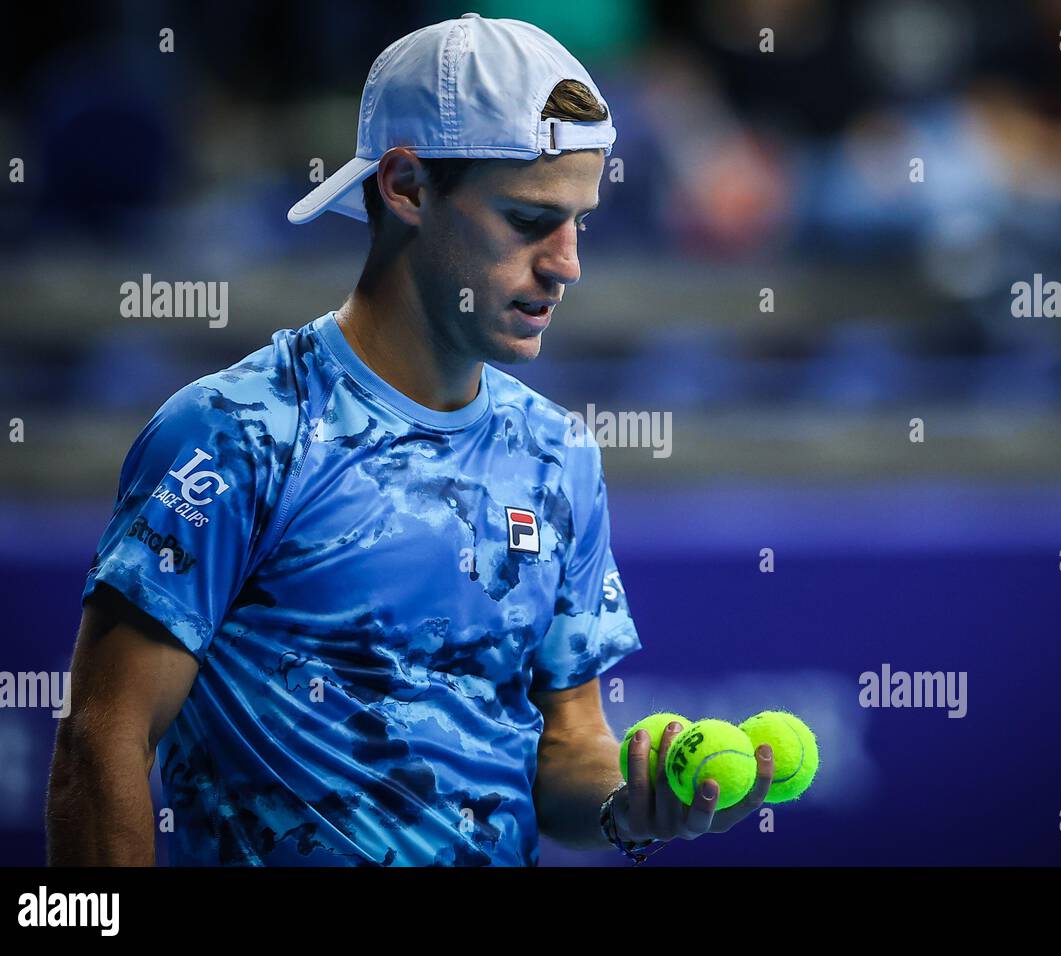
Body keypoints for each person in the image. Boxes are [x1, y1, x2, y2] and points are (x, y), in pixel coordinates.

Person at [46, 12, 772, 867]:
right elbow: (103, 745)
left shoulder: (559, 454)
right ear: (407, 187)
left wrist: (632, 804)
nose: (568, 263)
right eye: (531, 219)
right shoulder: (232, 433)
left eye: (580, 221)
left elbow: (568, 745)